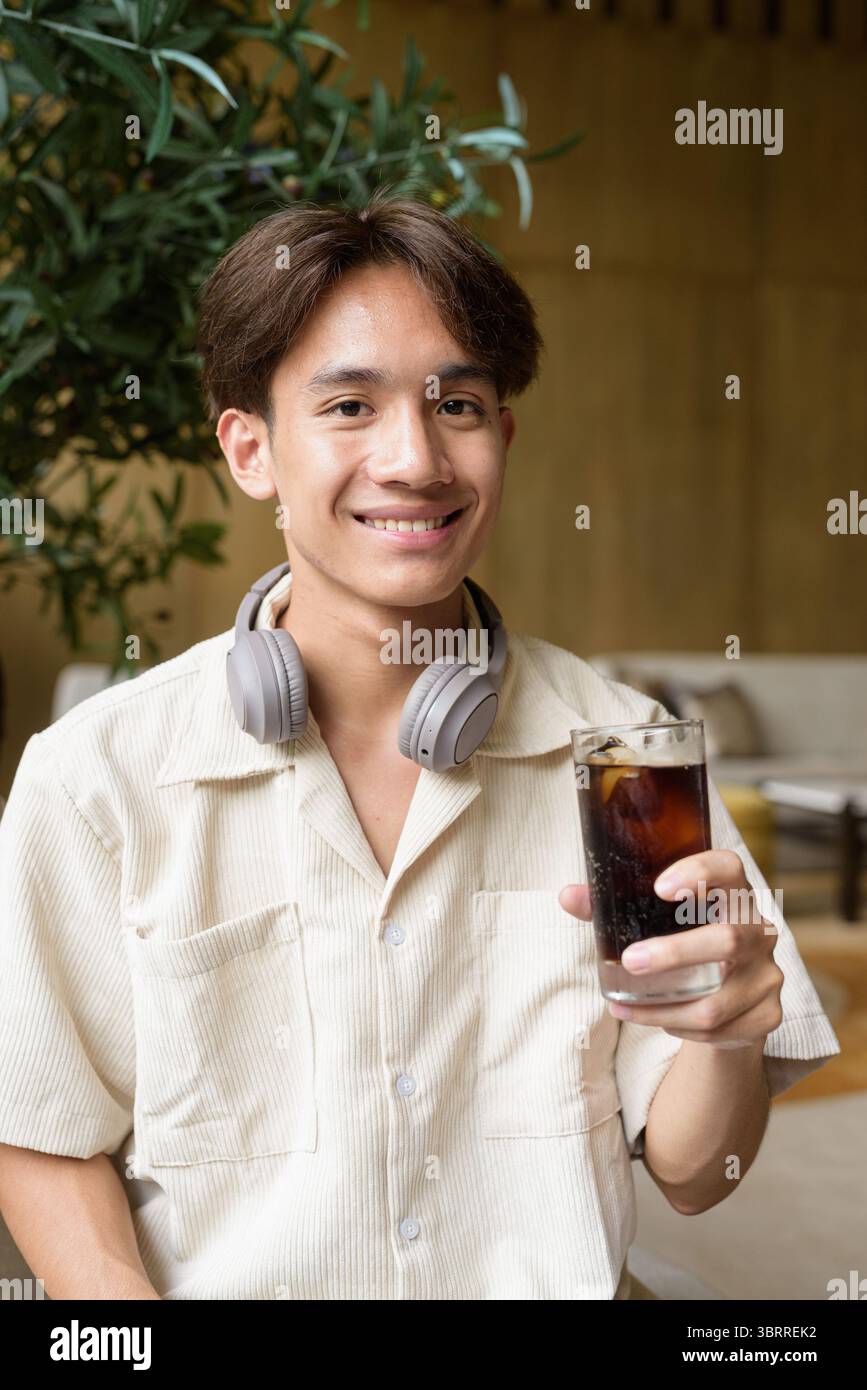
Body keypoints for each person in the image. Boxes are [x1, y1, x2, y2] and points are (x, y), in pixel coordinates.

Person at [0, 194, 840, 1300]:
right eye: (350, 404)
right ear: (250, 448)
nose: (415, 457)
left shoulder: (626, 756)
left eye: (458, 403)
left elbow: (693, 1172)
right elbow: (43, 1129)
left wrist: (729, 1036)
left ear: (503, 436)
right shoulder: (93, 776)